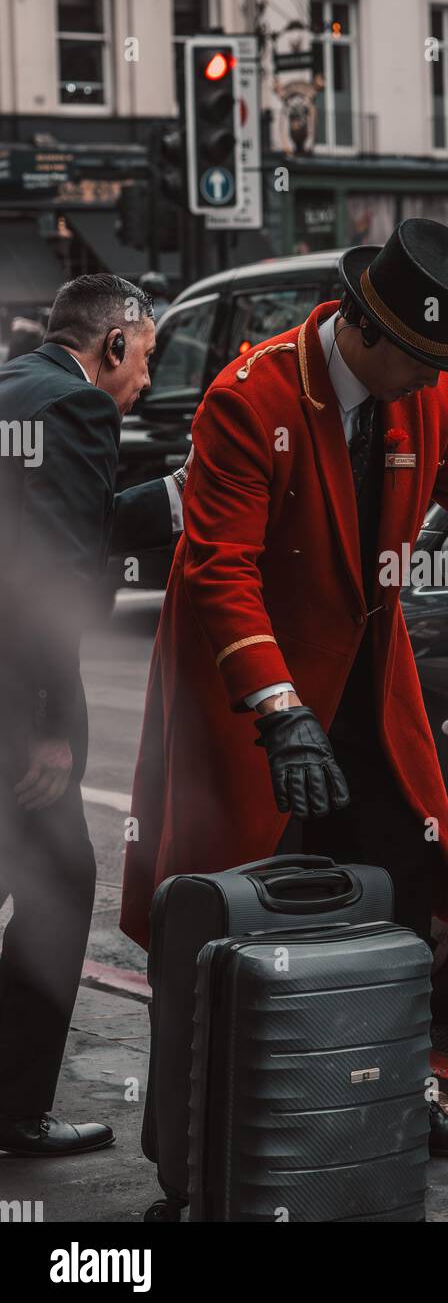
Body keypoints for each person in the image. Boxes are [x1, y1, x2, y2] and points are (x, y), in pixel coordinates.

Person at [120, 219, 448, 1158]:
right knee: (229, 908)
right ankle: (199, 1128)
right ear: (366, 327)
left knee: (401, 882)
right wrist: (281, 716)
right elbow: (219, 572)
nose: (442, 380)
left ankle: (401, 1093)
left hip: (364, 686)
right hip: (250, 702)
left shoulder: (427, 392)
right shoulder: (249, 398)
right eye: (423, 359)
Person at [0, 274, 189, 1158]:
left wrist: (171, 503)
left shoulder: (13, 389)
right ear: (115, 344)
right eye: (146, 356)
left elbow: (59, 522)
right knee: (60, 884)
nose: (146, 381)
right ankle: (16, 1108)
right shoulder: (80, 407)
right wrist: (44, 718)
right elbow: (60, 571)